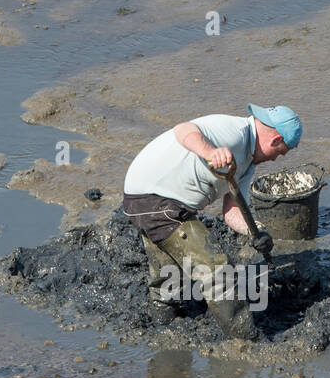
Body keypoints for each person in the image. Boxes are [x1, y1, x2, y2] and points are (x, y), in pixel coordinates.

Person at [122, 104, 301, 339]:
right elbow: (183, 130)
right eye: (280, 152)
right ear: (275, 140)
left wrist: (256, 231)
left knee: (168, 270)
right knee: (217, 270)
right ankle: (245, 340)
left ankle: (163, 325)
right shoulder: (235, 133)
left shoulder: (246, 164)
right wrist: (210, 152)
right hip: (155, 200)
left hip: (153, 202)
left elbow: (233, 211)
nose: (276, 159)